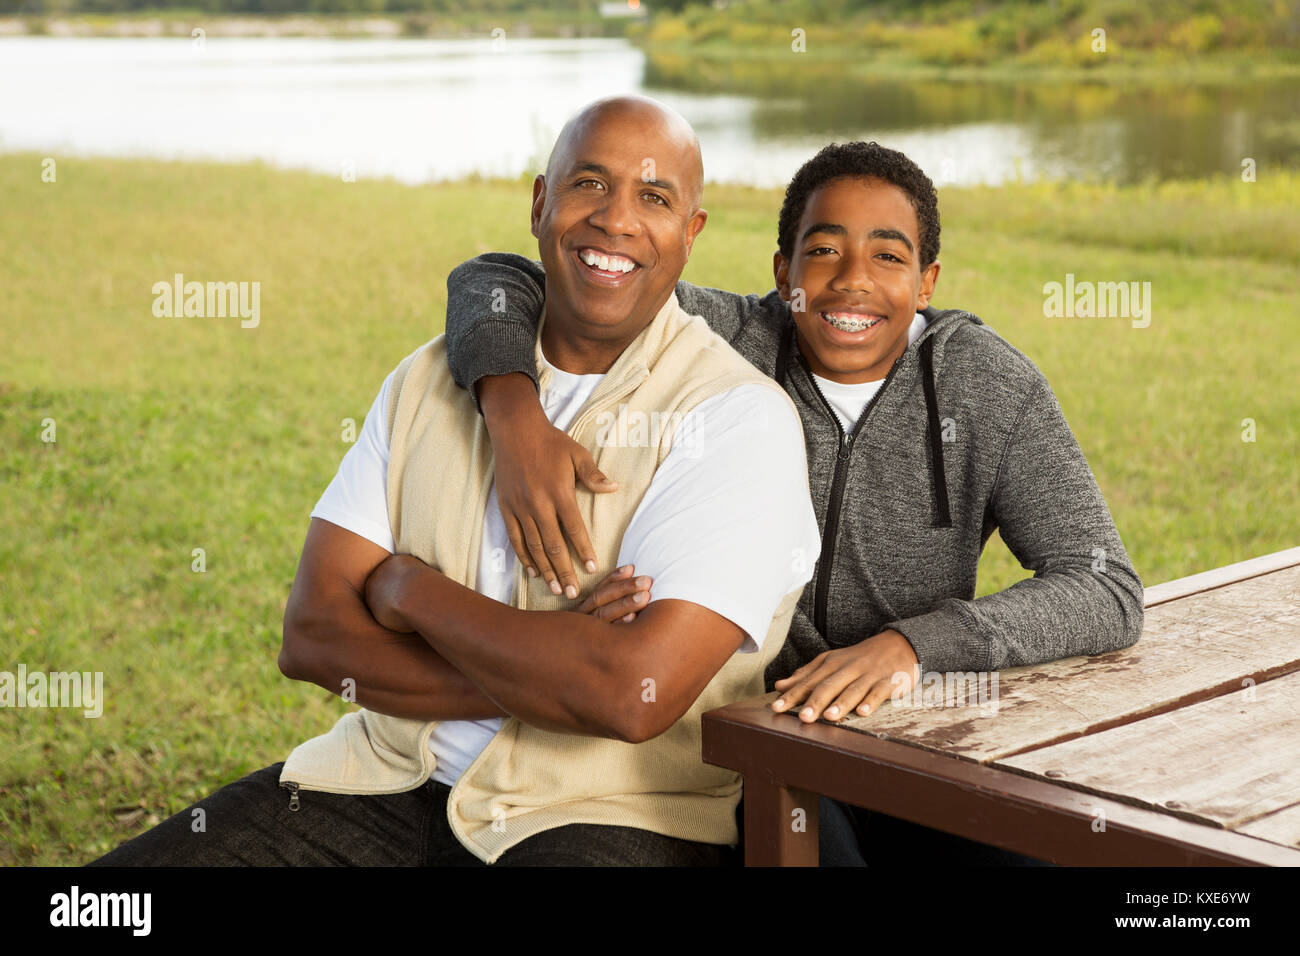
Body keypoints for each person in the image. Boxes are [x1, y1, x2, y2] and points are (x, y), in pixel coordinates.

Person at [88, 95, 819, 867]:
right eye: (588, 185)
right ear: (541, 202)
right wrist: (556, 660)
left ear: (691, 232)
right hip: (378, 784)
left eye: (655, 198)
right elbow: (312, 637)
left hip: (605, 819)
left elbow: (629, 696)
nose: (616, 220)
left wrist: (410, 593)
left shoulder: (737, 420)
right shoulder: (428, 379)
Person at [440, 140, 1145, 865]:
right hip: (750, 732)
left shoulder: (989, 387)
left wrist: (912, 645)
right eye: (824, 251)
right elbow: (497, 277)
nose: (852, 283)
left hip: (914, 733)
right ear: (783, 273)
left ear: (927, 280)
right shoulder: (721, 339)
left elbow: (1104, 585)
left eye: (889, 258)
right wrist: (516, 417)